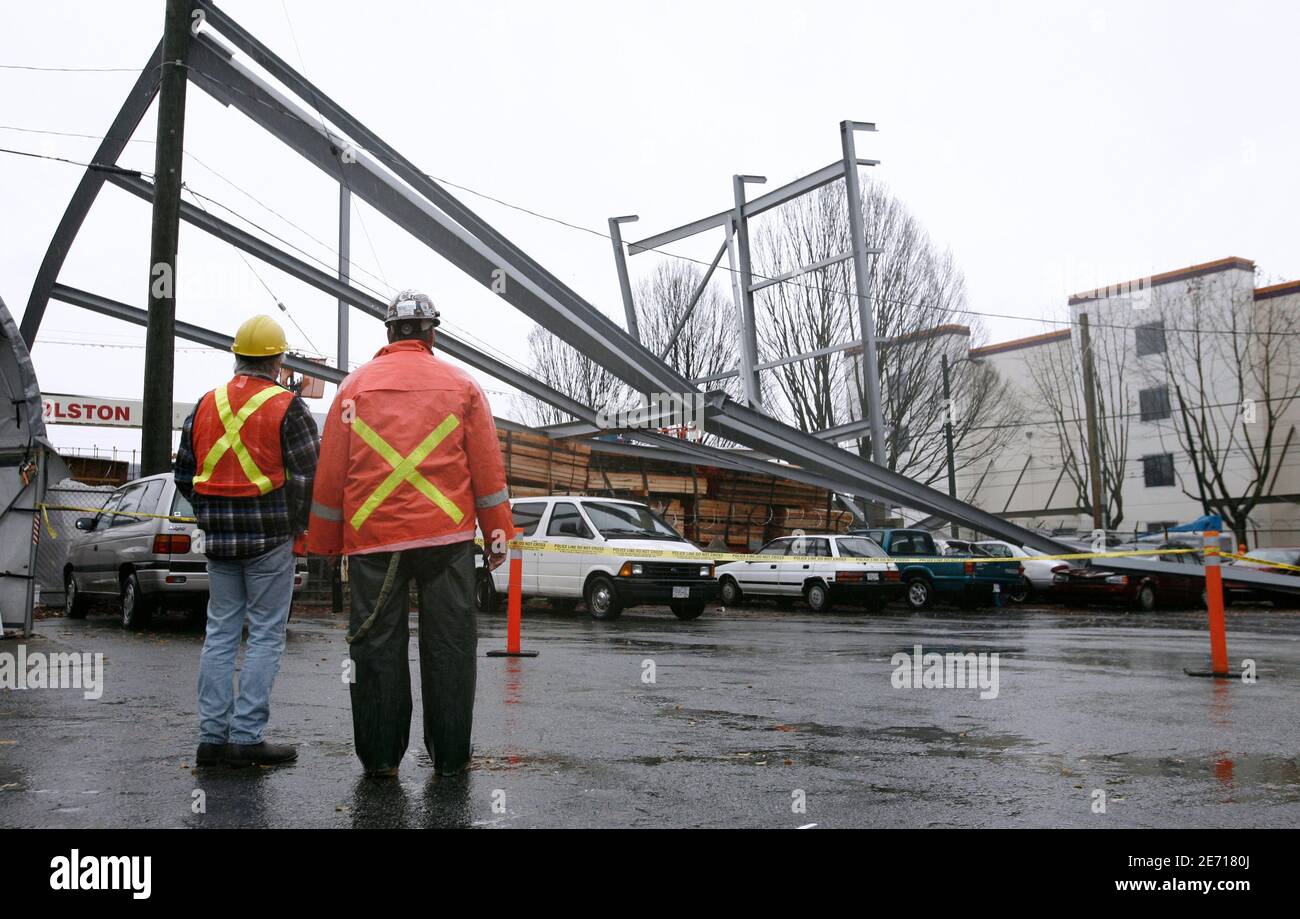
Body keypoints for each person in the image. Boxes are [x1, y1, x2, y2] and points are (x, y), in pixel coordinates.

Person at [308, 290, 512, 779]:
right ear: (431, 333)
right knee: (450, 649)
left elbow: (330, 476)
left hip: (373, 542)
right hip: (446, 541)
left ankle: (380, 760)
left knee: (376, 648)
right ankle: (450, 759)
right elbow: (487, 471)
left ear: (389, 331)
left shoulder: (353, 389)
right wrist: (498, 535)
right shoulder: (463, 387)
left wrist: (324, 546)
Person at [175, 314, 319, 768]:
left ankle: (211, 739)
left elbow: (185, 475)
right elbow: (307, 477)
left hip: (219, 540)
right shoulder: (288, 406)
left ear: (236, 356)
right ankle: (247, 737)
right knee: (264, 635)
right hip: (269, 539)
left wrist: (211, 515)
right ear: (278, 361)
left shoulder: (205, 404)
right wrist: (296, 525)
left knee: (220, 633)